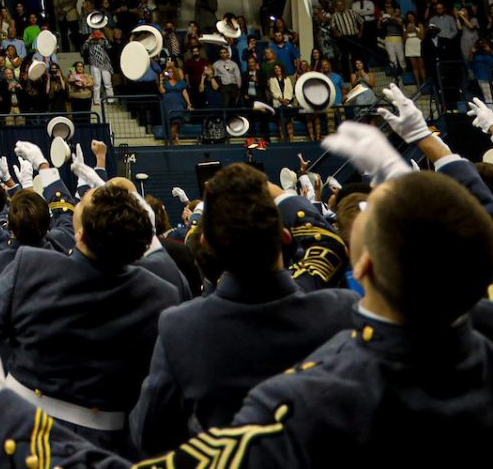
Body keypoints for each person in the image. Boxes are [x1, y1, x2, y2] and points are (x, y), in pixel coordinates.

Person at [0, 167, 493, 468]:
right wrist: (440, 172)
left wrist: (2, 415)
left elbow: (145, 452)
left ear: (368, 265)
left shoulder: (303, 408)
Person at [128, 163, 355, 455]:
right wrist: (285, 196)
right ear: (285, 237)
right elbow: (324, 241)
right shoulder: (340, 312)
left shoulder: (181, 327)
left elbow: (149, 434)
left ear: (207, 245)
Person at [0, 181, 181, 455]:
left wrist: (16, 327)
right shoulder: (161, 295)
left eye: (78, 205)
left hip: (22, 436)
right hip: (105, 448)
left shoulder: (33, 267)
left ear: (80, 236)